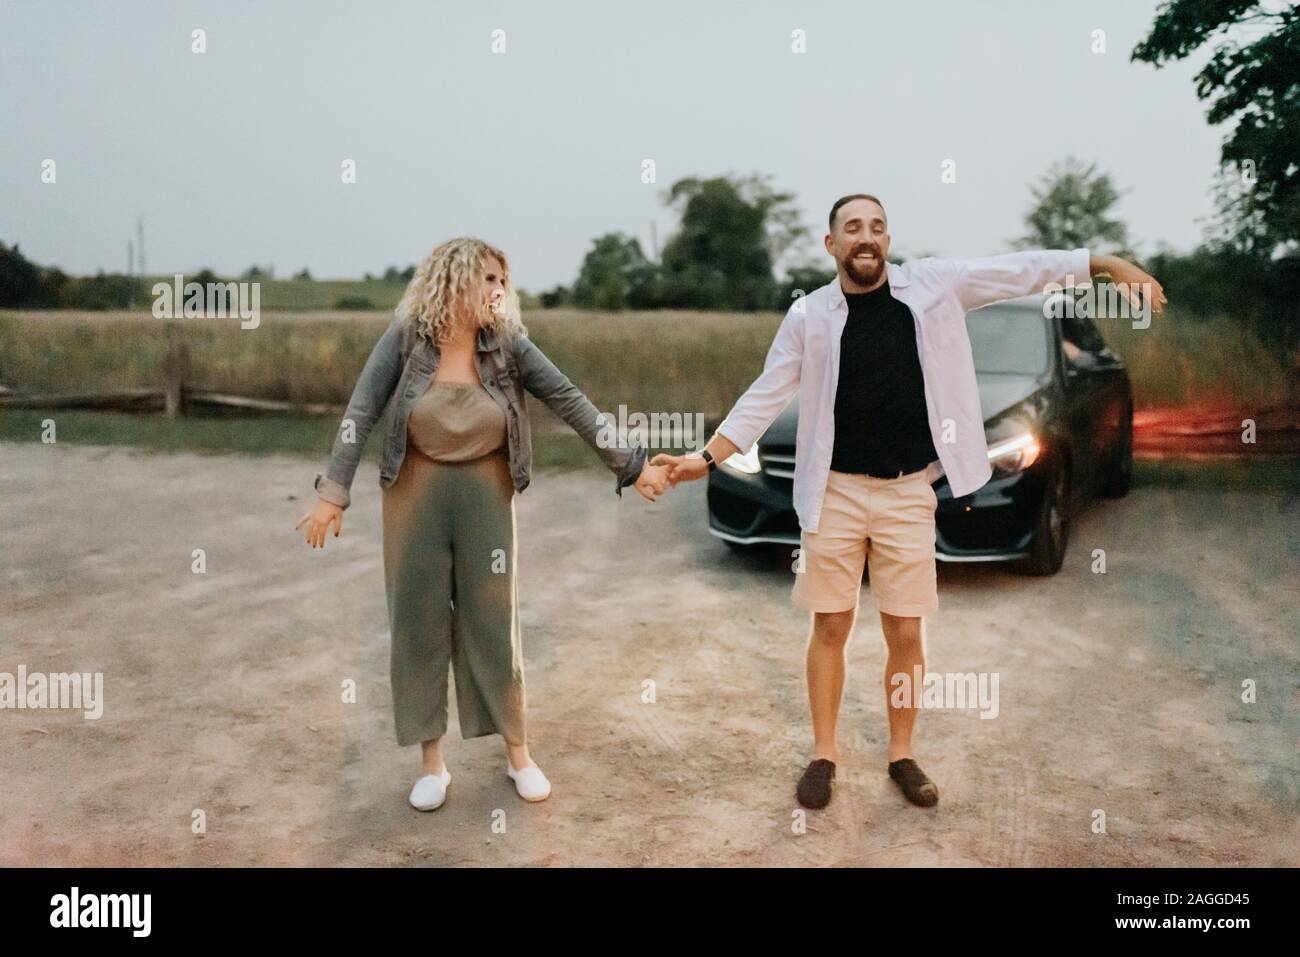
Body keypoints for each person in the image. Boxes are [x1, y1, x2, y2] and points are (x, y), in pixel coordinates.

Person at [653, 194, 1165, 811]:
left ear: (887, 239)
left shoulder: (934, 287)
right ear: (831, 244)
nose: (865, 238)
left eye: (876, 227)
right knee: (831, 624)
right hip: (836, 492)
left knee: (904, 629)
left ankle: (901, 755)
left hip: (906, 493)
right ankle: (824, 754)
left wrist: (1107, 263)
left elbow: (1021, 269)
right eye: (852, 228)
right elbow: (767, 393)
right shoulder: (810, 315)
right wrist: (704, 457)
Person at [296, 237, 670, 811]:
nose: (499, 290)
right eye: (488, 279)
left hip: (487, 492)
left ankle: (518, 754)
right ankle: (432, 764)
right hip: (414, 492)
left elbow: (570, 399)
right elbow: (361, 410)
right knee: (417, 621)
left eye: (503, 280)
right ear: (454, 282)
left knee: (493, 622)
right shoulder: (406, 339)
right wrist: (332, 494)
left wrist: (633, 464)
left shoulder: (509, 345)